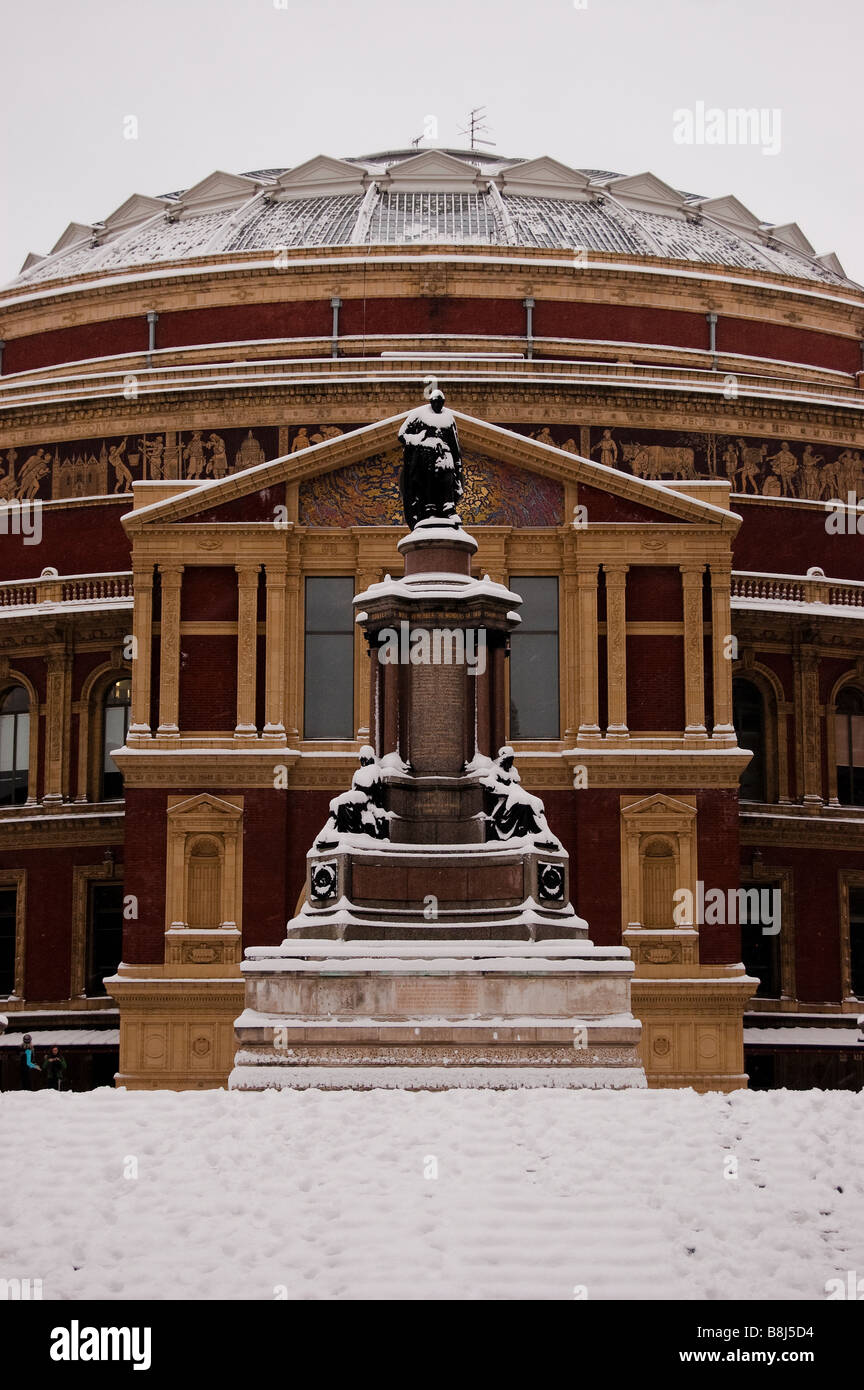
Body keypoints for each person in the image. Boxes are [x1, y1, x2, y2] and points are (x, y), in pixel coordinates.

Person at [398, 389, 464, 529]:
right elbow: (402, 435)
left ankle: (449, 509)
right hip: (426, 457)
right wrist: (418, 440)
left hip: (446, 456)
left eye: (440, 403)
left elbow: (454, 444)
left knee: (447, 482)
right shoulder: (419, 414)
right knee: (428, 484)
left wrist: (458, 465)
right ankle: (430, 510)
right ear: (431, 402)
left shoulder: (448, 417)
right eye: (435, 402)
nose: (438, 405)